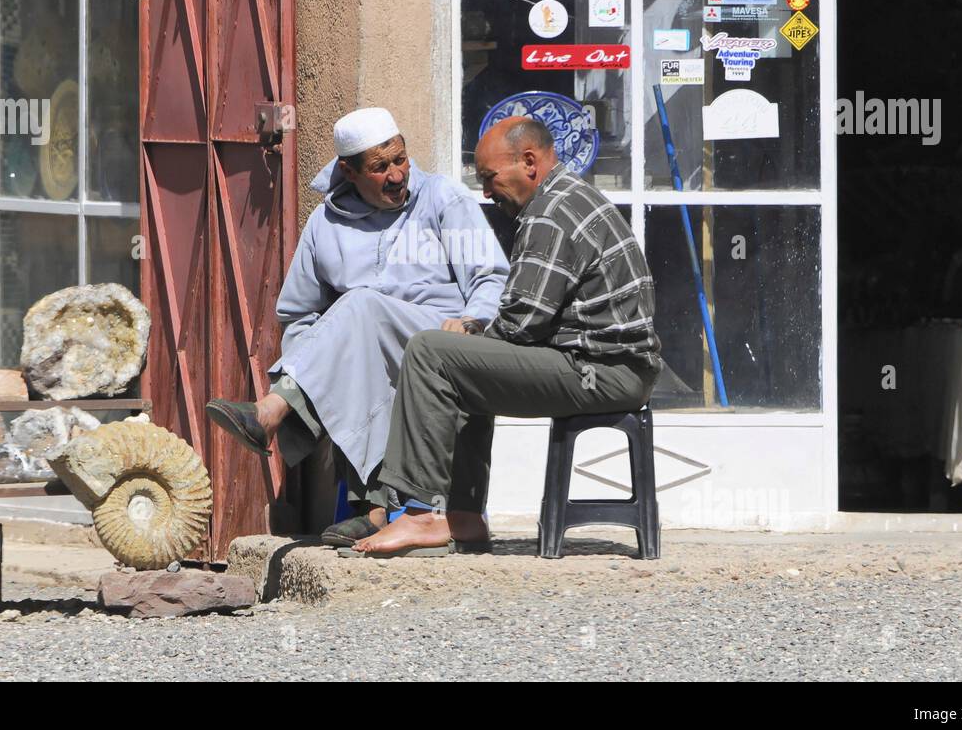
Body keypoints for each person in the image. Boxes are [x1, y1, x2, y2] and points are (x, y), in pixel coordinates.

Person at [351, 116, 661, 557]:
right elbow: (525, 325)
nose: (486, 192)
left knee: (429, 353)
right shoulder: (568, 196)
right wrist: (473, 338)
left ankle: (420, 514)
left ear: (529, 162)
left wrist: (470, 335)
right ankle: (464, 517)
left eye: (490, 177)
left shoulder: (550, 215)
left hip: (603, 372)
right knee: (461, 363)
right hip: (614, 366)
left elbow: (520, 325)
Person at [205, 107, 509, 545]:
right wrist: (319, 361)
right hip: (371, 353)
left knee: (361, 305)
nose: (397, 175)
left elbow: (490, 278)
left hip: (446, 341)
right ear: (348, 171)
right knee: (356, 341)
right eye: (380, 167)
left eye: (400, 159)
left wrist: (471, 320)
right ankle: (379, 509)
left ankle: (273, 411)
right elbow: (299, 314)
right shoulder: (324, 226)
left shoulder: (444, 198)